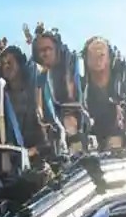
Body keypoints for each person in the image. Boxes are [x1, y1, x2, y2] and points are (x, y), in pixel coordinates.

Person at [0, 38, 65, 164]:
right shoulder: (2, 96)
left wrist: (38, 149)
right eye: (3, 63)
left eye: (10, 62)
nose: (6, 66)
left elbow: (53, 126)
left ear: (20, 63)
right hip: (19, 161)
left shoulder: (37, 87)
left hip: (48, 157)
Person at [24, 22, 89, 153]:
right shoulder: (35, 78)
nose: (45, 53)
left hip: (73, 129)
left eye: (49, 49)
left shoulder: (71, 69)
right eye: (41, 51)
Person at [82, 36, 126, 150]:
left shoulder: (122, 84)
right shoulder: (81, 86)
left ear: (110, 58)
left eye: (101, 55)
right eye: (92, 56)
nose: (97, 59)